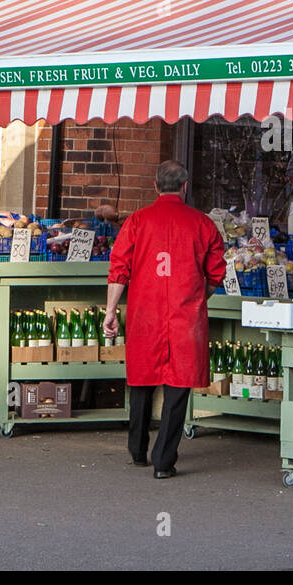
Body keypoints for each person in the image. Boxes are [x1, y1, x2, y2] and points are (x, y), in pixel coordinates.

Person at [104, 160, 226, 478]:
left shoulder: (137, 222)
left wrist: (110, 311)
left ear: (155, 187)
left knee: (142, 380)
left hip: (145, 313)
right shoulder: (204, 225)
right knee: (178, 387)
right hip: (186, 315)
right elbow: (216, 272)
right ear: (185, 187)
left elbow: (119, 268)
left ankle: (136, 449)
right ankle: (163, 460)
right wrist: (199, 297)